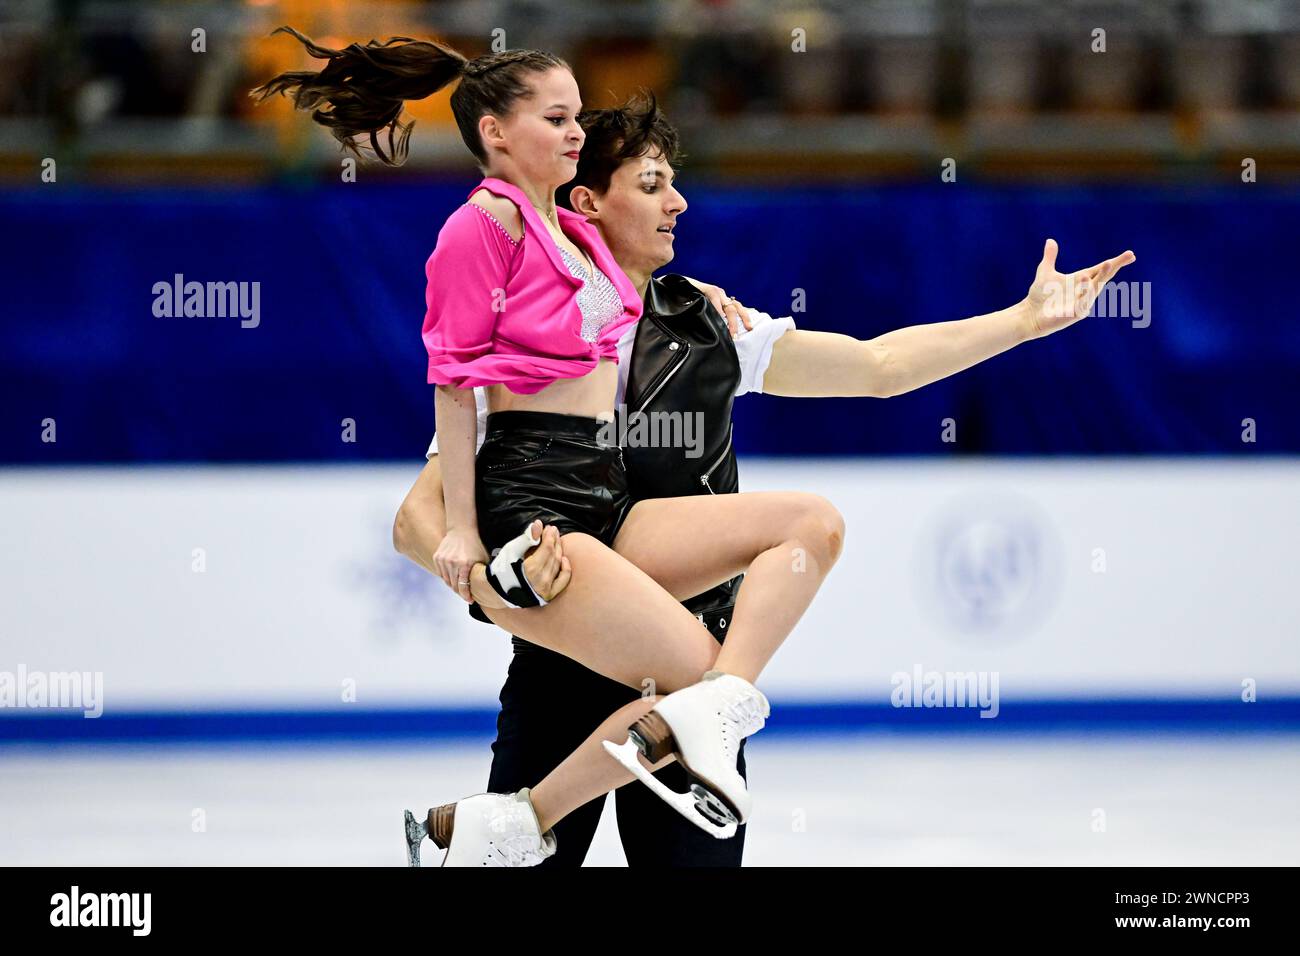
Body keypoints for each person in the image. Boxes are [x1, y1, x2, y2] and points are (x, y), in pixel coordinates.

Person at [394, 94, 1138, 866]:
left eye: (673, 183)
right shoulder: (525, 345)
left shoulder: (714, 325)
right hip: (565, 666)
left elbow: (878, 368)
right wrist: (498, 579)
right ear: (586, 201)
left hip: (692, 671)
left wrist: (1021, 321)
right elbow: (420, 518)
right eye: (650, 185)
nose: (677, 201)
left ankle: (696, 715)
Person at [253, 29, 851, 866]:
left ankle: (513, 820)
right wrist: (464, 531)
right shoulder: (479, 227)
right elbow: (454, 382)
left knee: (806, 531)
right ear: (497, 132)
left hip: (603, 491)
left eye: (577, 117)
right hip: (534, 494)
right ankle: (535, 813)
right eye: (557, 117)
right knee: (692, 678)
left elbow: (641, 289)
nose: (576, 132)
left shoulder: (569, 229)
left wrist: (710, 296)